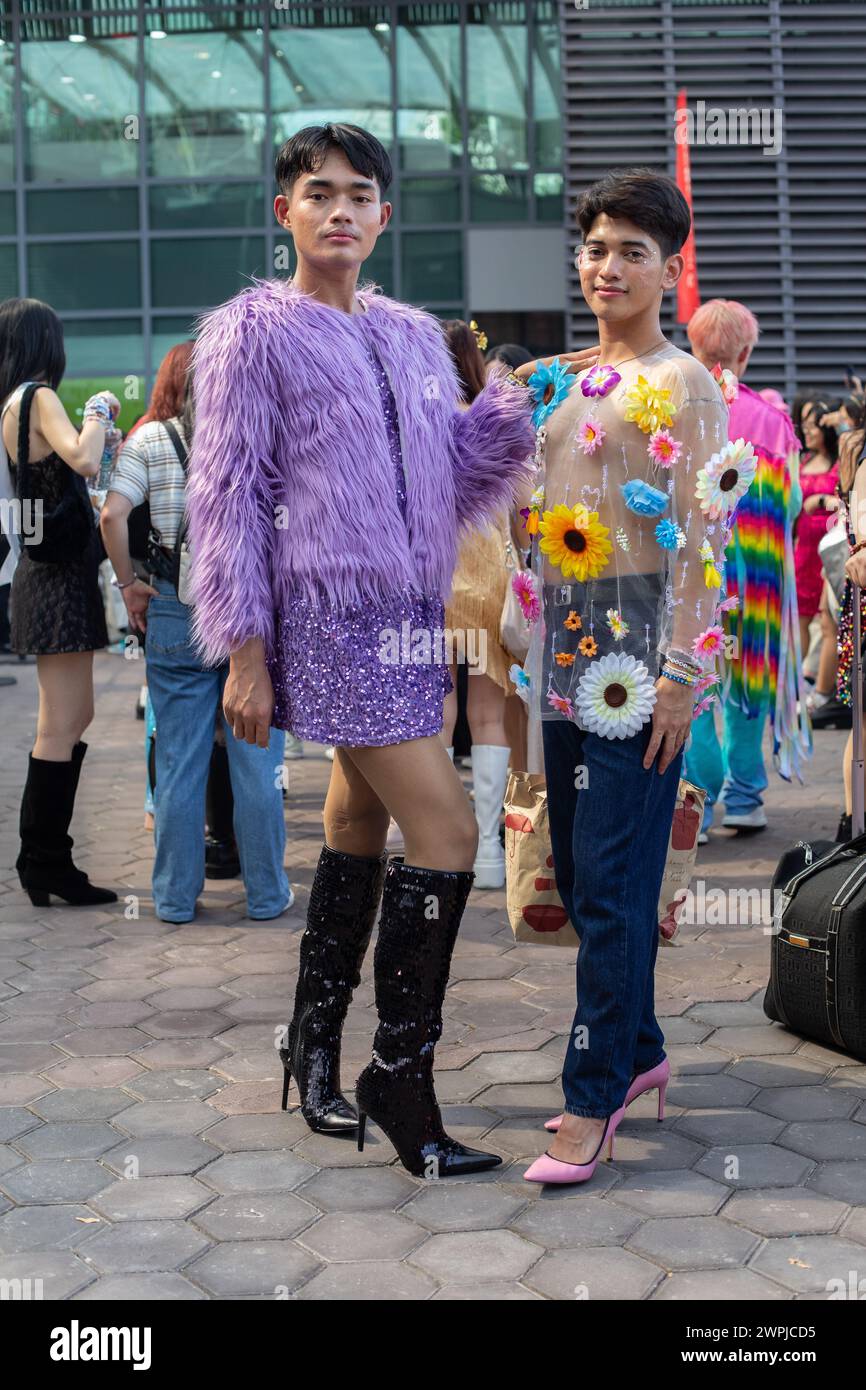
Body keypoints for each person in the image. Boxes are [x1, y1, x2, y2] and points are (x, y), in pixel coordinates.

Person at [184, 122, 584, 1178]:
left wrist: (508, 402)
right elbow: (227, 497)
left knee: (356, 817)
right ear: (286, 213)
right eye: (318, 194)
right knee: (447, 829)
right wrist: (243, 650)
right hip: (325, 614)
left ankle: (310, 1048)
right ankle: (397, 1075)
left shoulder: (410, 335)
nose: (339, 211)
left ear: (383, 214)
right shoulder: (249, 333)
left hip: (415, 615)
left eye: (359, 194)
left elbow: (451, 475)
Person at [519, 168, 745, 1184]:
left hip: (636, 642)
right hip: (564, 637)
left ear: (668, 266)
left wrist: (677, 675)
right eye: (595, 248)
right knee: (577, 876)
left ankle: (591, 1095)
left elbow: (705, 537)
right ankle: (643, 1046)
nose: (606, 266)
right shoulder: (568, 381)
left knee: (610, 887)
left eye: (631, 252)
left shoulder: (683, 381)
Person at [100, 366, 292, 924]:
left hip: (173, 611)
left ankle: (175, 899)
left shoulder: (153, 438)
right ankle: (265, 895)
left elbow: (112, 514)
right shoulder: (260, 442)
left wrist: (127, 583)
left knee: (180, 763)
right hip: (251, 618)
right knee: (257, 764)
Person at [0, 297, 120, 906]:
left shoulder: (10, 405)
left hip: (44, 578)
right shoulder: (36, 395)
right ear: (46, 342)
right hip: (57, 584)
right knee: (59, 726)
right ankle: (44, 861)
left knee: (70, 720)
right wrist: (100, 411)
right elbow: (84, 456)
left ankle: (47, 859)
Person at [684, 299, 809, 838]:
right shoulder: (776, 423)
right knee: (746, 678)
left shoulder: (675, 407)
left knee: (695, 684)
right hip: (754, 584)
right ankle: (745, 796)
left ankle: (699, 800)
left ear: (693, 346)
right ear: (746, 352)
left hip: (694, 579)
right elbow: (796, 506)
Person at [438, 319, 524, 889]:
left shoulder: (423, 426)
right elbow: (523, 517)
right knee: (489, 715)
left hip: (436, 579)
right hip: (491, 576)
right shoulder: (500, 424)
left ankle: (442, 838)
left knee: (436, 715)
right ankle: (491, 851)